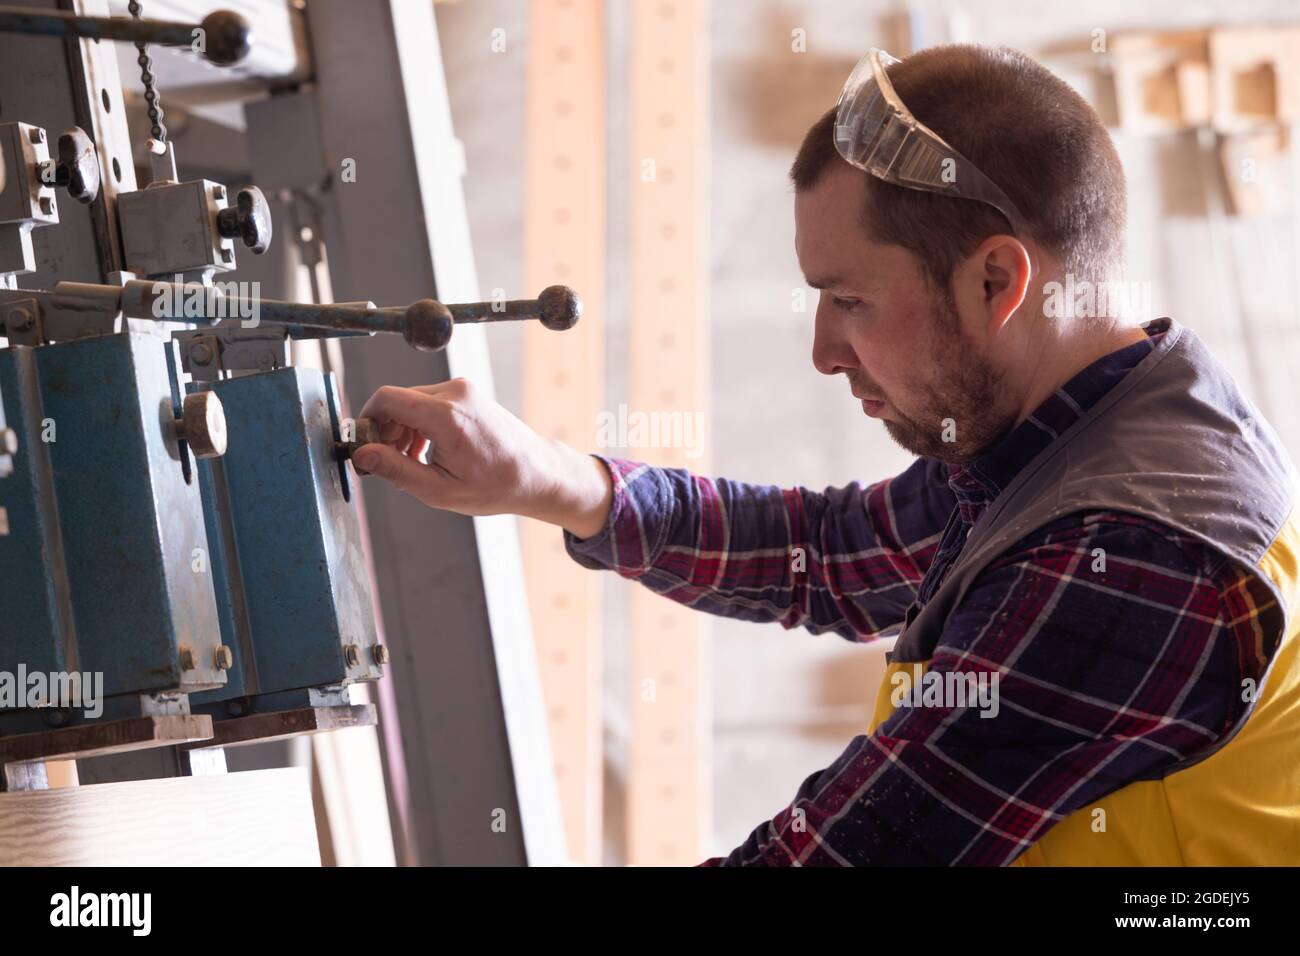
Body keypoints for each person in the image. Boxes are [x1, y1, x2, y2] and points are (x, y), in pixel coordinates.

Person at [352, 44, 1300, 866]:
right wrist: (552, 479)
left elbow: (845, 856)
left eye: (848, 300)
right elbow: (833, 553)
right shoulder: (1087, 429)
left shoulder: (1130, 561)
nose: (823, 352)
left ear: (997, 278)